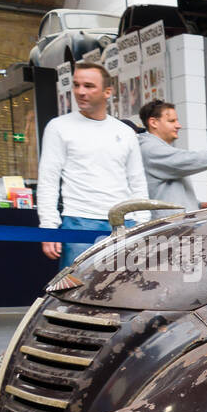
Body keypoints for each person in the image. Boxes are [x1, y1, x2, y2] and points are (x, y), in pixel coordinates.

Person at [37, 61, 149, 269]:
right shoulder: (58, 127)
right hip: (79, 222)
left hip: (125, 223)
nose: (80, 92)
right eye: (76, 85)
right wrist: (49, 227)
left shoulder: (124, 131)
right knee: (76, 292)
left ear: (107, 92)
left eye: (89, 86)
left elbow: (137, 180)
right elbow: (48, 180)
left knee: (126, 291)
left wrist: (143, 224)